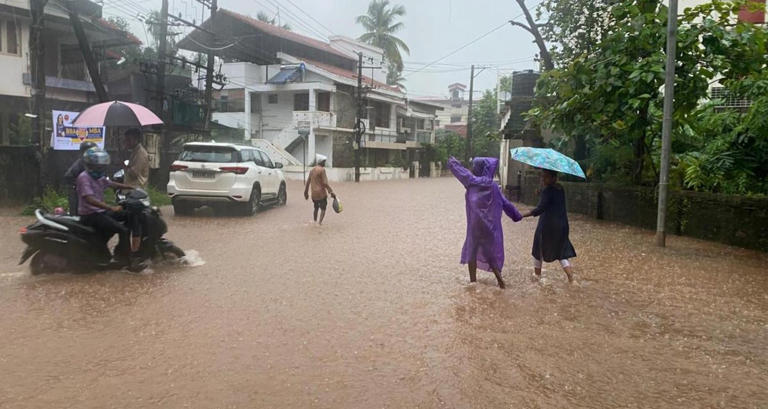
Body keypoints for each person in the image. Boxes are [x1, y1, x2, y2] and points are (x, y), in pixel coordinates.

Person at [447, 156, 522, 289]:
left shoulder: (471, 182)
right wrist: (517, 216)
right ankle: (501, 282)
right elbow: (505, 203)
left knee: (472, 251)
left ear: (477, 169)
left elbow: (459, 170)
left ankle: (473, 283)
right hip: (489, 226)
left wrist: (452, 160)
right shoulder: (494, 186)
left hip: (475, 225)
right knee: (489, 253)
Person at [76, 147, 139, 265]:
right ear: (90, 166)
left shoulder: (99, 177)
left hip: (100, 212)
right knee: (123, 230)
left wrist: (130, 187)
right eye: (98, 167)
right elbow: (89, 199)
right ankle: (127, 262)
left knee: (129, 215)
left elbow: (111, 184)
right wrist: (111, 207)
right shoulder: (84, 177)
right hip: (90, 215)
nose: (100, 169)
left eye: (102, 167)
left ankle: (123, 251)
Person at [521, 169, 577, 283]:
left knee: (538, 249)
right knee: (561, 252)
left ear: (553, 178)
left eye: (546, 177)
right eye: (543, 176)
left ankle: (537, 277)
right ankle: (571, 278)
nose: (543, 179)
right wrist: (541, 191)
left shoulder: (547, 191)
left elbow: (540, 209)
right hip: (562, 225)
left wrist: (522, 215)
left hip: (548, 226)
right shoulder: (560, 188)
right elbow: (550, 199)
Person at [63, 141, 98, 216]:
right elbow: (68, 176)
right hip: (75, 189)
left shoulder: (90, 162)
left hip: (85, 190)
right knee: (76, 211)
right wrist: (78, 184)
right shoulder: (81, 163)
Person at [304, 154, 336, 225]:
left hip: (314, 194)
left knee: (316, 208)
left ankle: (314, 221)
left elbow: (308, 182)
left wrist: (305, 193)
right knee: (323, 209)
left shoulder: (312, 170)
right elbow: (325, 183)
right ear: (321, 162)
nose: (324, 163)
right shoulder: (322, 170)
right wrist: (331, 191)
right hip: (321, 194)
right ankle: (319, 223)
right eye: (324, 161)